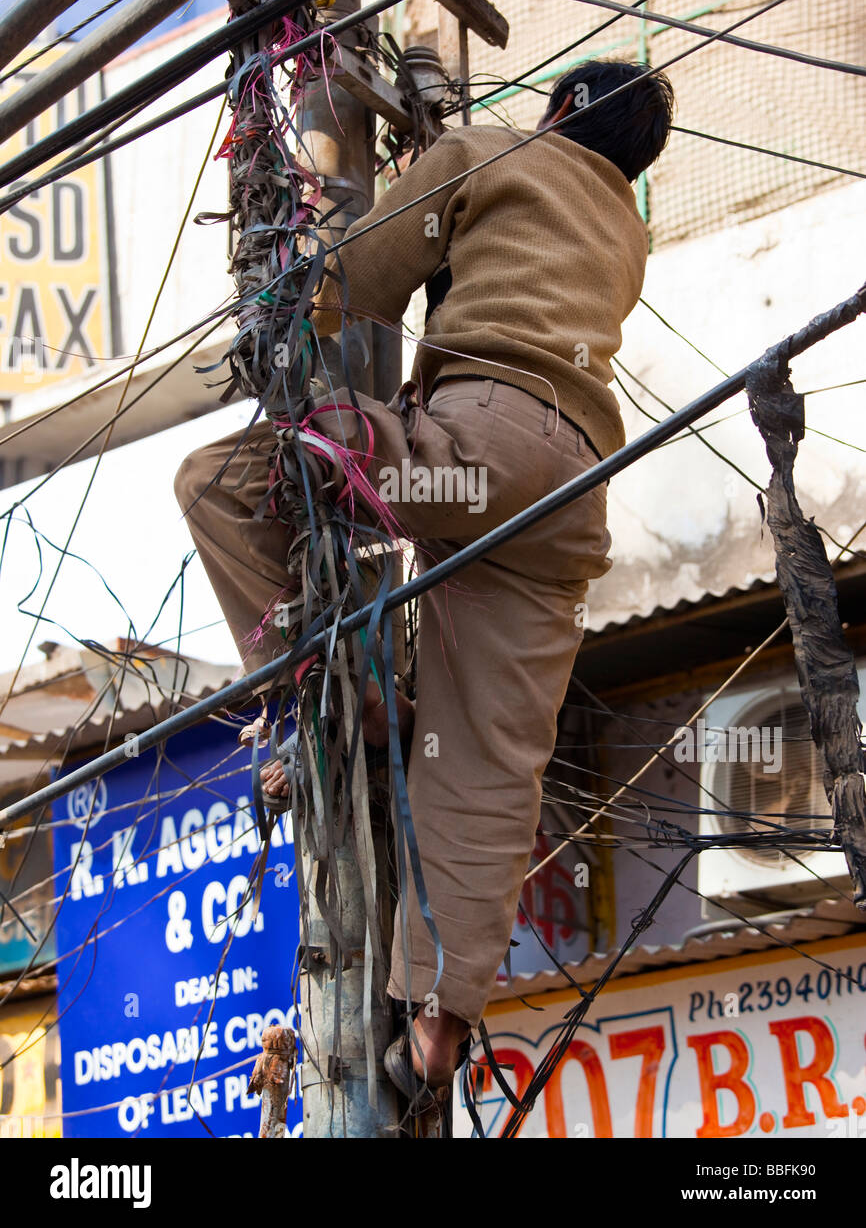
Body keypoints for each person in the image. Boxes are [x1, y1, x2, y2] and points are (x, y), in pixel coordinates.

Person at [174, 58, 674, 1103]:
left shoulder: (493, 149)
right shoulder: (622, 236)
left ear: (559, 108)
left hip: (469, 442)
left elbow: (356, 276)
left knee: (224, 482)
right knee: (490, 758)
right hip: (567, 491)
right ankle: (440, 1020)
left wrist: (298, 314)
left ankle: (325, 694)